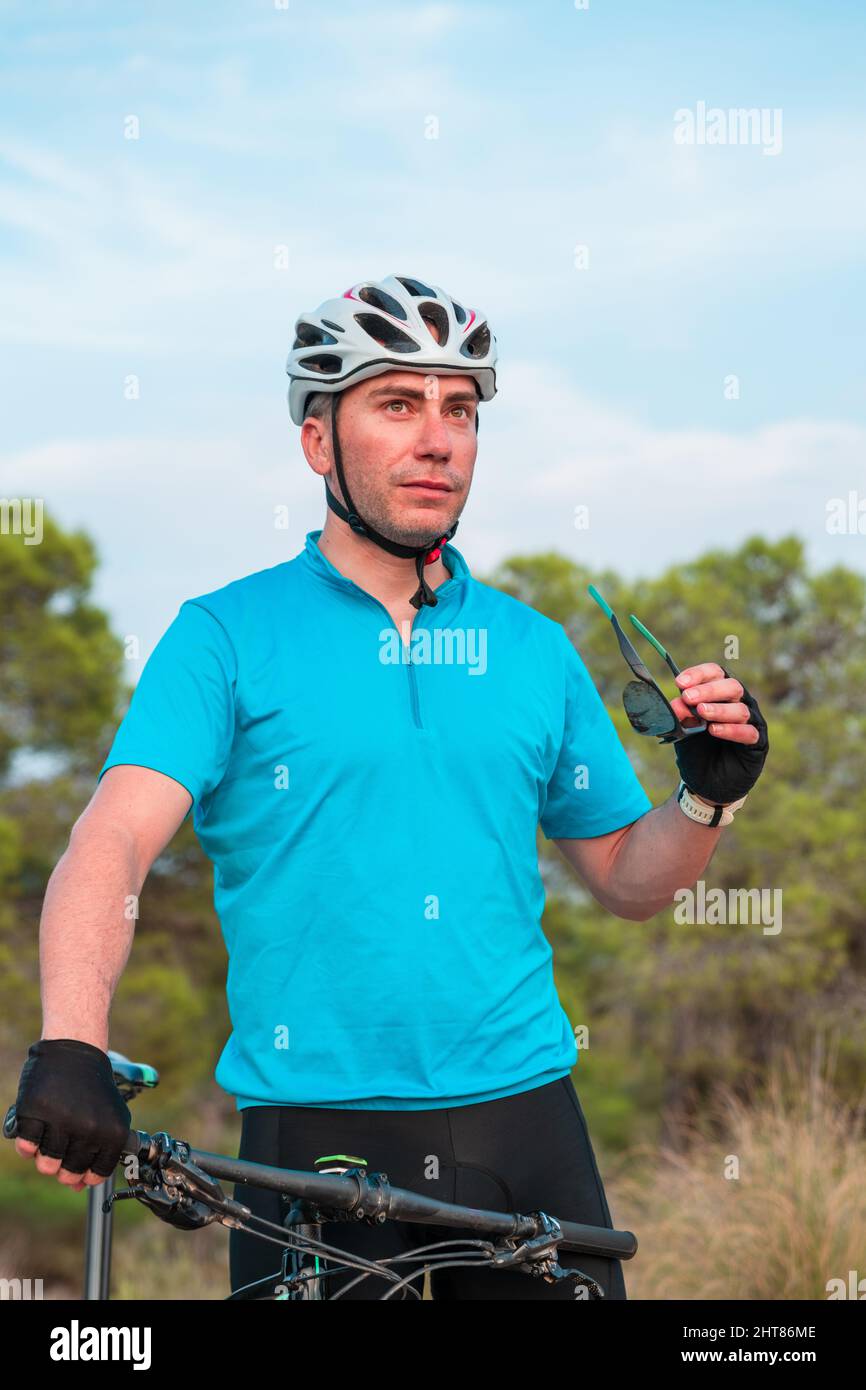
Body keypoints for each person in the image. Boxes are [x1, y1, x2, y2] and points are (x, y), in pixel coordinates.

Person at [10, 273, 768, 1300]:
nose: (438, 438)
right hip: (308, 1143)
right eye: (397, 403)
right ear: (318, 440)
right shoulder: (224, 636)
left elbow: (629, 881)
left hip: (527, 1128)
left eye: (459, 409)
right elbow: (113, 841)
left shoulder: (531, 649)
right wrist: (70, 1039)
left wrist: (704, 800)